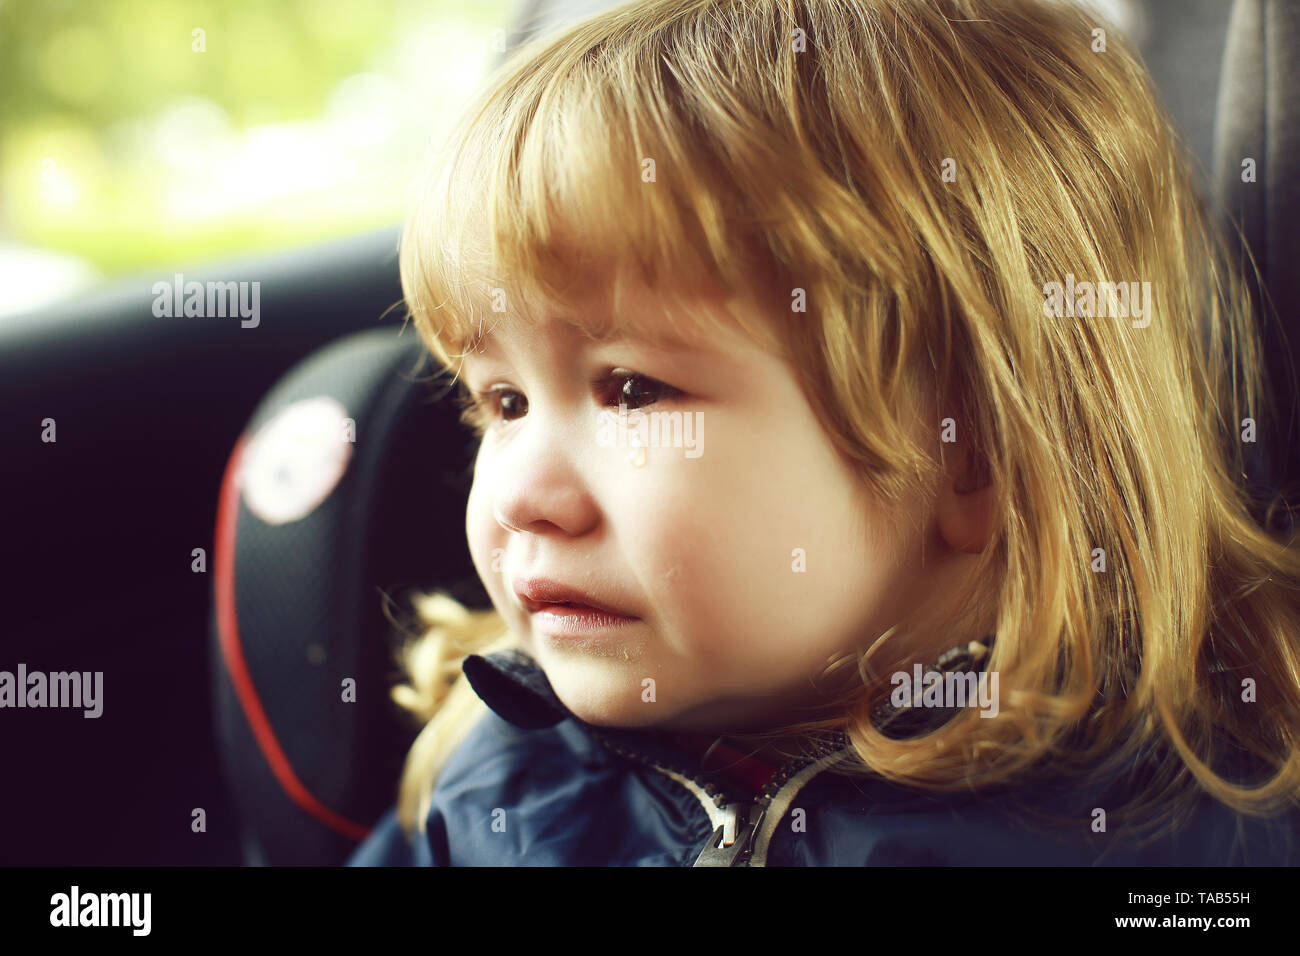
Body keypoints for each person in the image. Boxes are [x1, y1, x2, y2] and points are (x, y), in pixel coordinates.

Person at [347, 0, 1300, 865]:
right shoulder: (495, 780)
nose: (520, 498)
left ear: (971, 456)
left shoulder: (1180, 833)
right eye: (502, 403)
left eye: (634, 391)